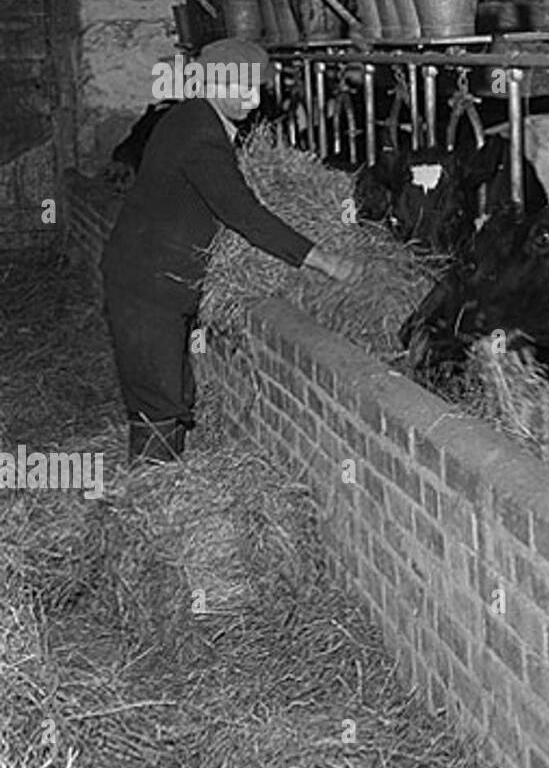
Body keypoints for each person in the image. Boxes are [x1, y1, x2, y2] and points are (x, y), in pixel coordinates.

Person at [101, 38, 360, 463]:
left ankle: (163, 472)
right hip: (147, 283)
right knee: (160, 397)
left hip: (154, 277)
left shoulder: (189, 116)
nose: (254, 99)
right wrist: (327, 262)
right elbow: (244, 213)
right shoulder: (201, 136)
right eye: (243, 88)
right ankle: (152, 486)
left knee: (173, 387)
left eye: (258, 88)